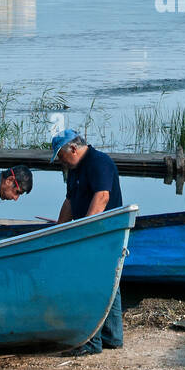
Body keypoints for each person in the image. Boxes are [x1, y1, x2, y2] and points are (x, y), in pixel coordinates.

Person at [50, 129, 124, 355]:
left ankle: (90, 343)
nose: (61, 161)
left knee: (90, 282)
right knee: (108, 280)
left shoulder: (98, 162)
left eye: (61, 156)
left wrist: (86, 232)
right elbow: (70, 201)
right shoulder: (74, 169)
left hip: (102, 234)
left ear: (73, 148)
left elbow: (102, 197)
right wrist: (57, 233)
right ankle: (112, 336)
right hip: (91, 234)